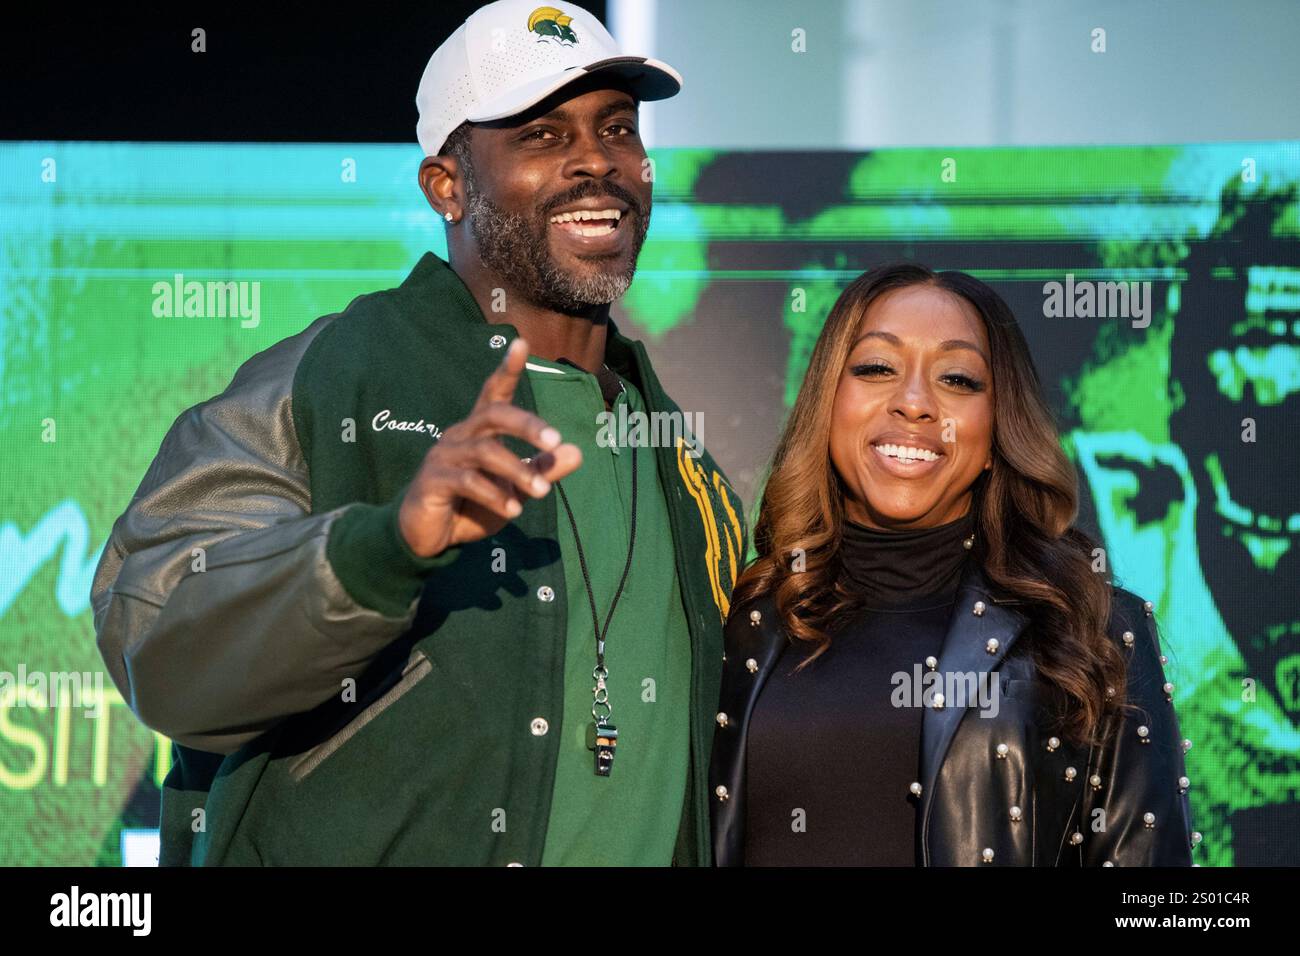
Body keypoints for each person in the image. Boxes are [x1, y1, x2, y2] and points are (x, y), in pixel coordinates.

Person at [91, 0, 745, 866]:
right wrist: (379, 549)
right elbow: (157, 641)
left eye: (617, 129)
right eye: (543, 136)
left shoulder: (679, 453)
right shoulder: (332, 375)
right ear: (447, 185)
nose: (597, 160)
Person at [709, 262, 1195, 866]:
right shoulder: (744, 619)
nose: (914, 403)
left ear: (998, 429)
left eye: (959, 379)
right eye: (876, 368)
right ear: (827, 404)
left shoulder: (1091, 630)